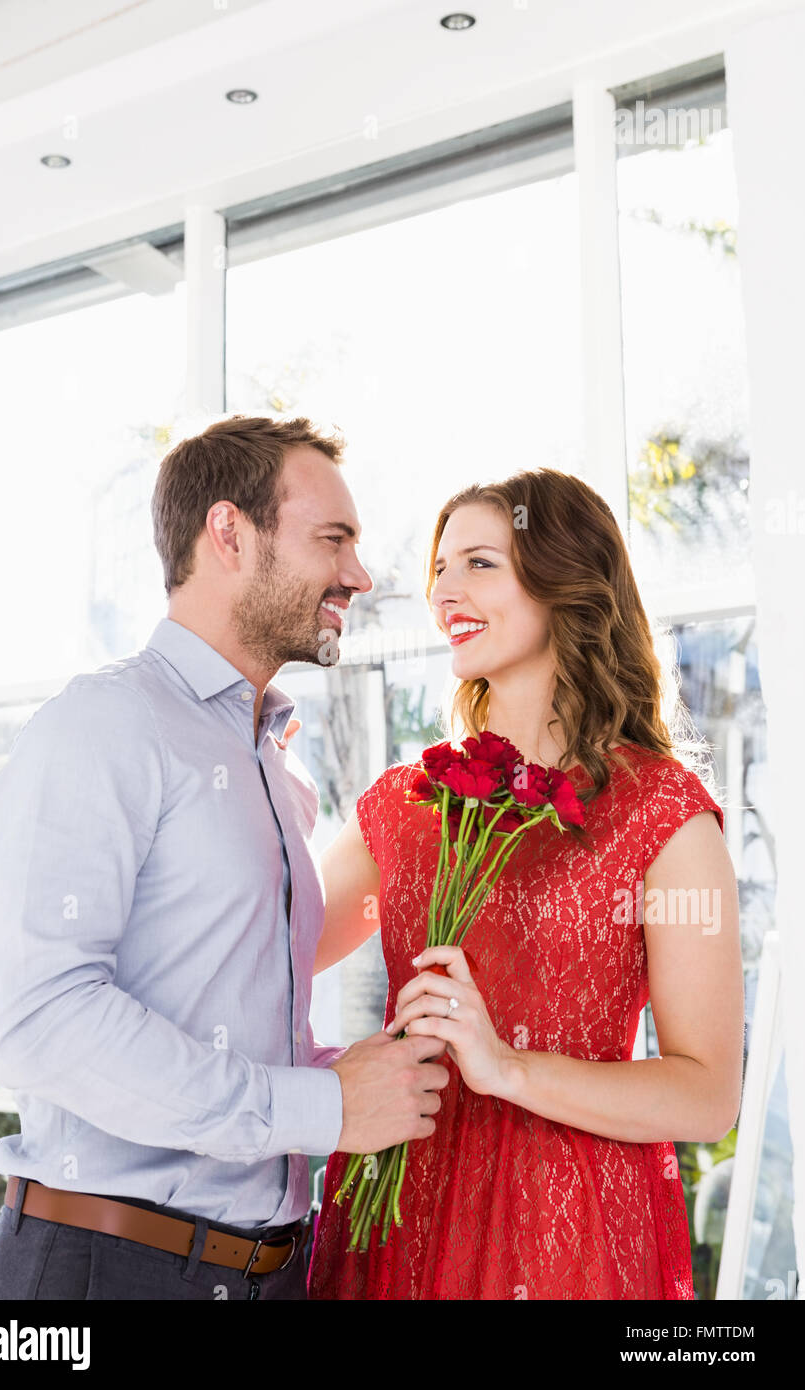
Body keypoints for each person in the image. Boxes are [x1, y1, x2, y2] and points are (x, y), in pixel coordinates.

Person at [0, 415, 448, 1302]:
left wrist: (358, 1073)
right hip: (102, 1270)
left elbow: (231, 1018)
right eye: (332, 539)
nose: (359, 574)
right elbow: (44, 1023)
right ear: (229, 532)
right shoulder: (103, 725)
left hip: (266, 1273)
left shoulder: (270, 761)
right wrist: (322, 1109)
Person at [307, 468, 744, 1300]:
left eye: (478, 563)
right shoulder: (405, 806)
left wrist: (506, 1067)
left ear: (563, 582)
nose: (443, 593)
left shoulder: (662, 813)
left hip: (570, 1239)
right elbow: (264, 960)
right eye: (439, 569)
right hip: (400, 1216)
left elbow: (707, 1094)